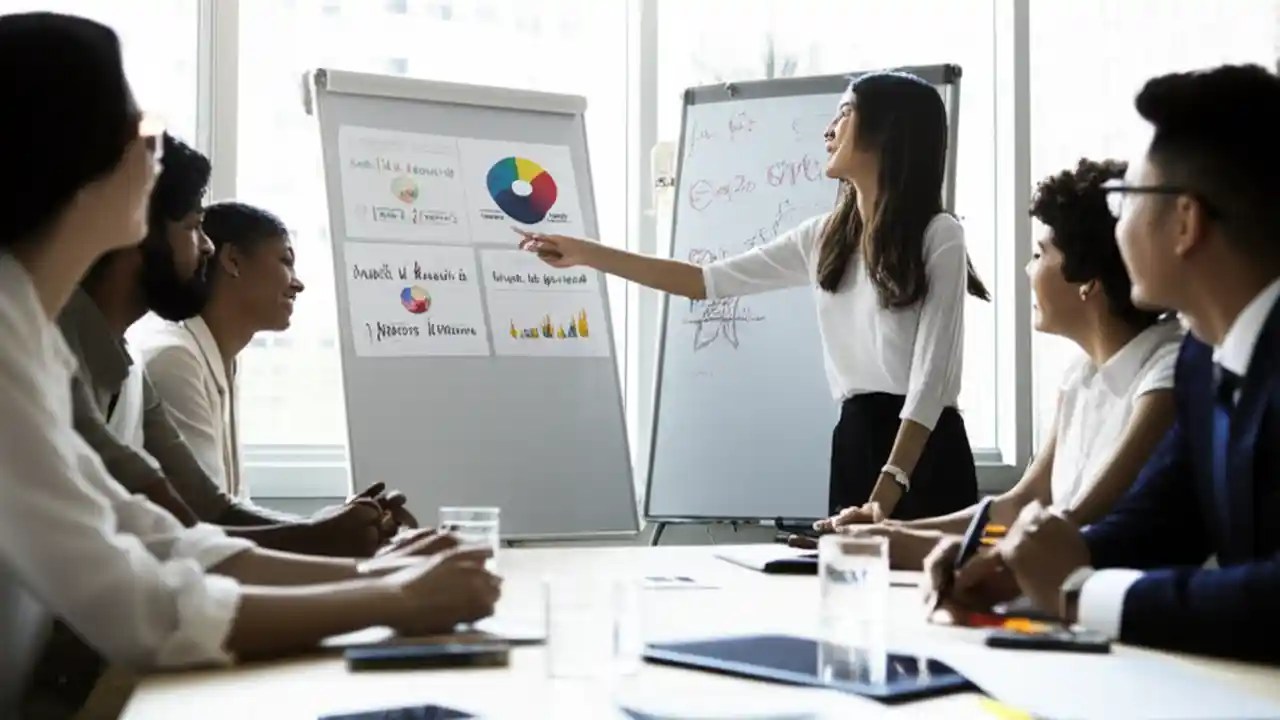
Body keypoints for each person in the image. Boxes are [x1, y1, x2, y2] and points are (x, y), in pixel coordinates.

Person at [0, 14, 498, 717]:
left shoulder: (30, 337)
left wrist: (374, 574)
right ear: (78, 161)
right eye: (132, 121)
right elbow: (141, 605)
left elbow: (162, 540)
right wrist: (391, 596)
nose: (152, 146)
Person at [925, 64, 1280, 662]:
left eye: (1126, 200)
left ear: (1186, 222)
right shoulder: (1202, 360)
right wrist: (1017, 570)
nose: (1115, 231)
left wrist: (1081, 592)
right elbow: (1155, 524)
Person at [520, 71, 990, 520]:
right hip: (856, 439)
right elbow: (704, 281)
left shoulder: (939, 235)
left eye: (845, 113)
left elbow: (930, 383)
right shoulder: (824, 238)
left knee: (931, 596)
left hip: (922, 451)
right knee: (855, 593)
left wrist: (885, 494)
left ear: (888, 132)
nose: (828, 130)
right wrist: (585, 253)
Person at [802, 159, 1182, 568]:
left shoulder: (1169, 367)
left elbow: (1070, 525)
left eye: (1040, 254)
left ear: (1087, 280)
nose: (1028, 269)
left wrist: (902, 546)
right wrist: (886, 532)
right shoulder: (1080, 376)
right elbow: (1021, 503)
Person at [64, 132, 410, 558]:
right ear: (136, 230)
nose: (205, 245)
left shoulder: (130, 366)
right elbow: (175, 543)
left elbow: (208, 510)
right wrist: (329, 542)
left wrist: (334, 528)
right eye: (193, 226)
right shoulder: (57, 358)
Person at [133, 200, 306, 507]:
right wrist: (327, 532)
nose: (297, 283)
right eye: (285, 261)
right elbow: (209, 518)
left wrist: (333, 524)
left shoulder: (224, 357)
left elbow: (236, 508)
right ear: (233, 260)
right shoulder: (175, 360)